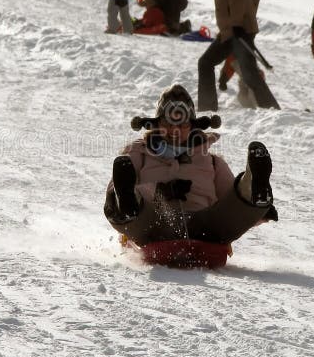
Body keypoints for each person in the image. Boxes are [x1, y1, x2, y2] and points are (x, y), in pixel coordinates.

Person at [103, 84, 277, 247]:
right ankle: (128, 205)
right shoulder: (139, 152)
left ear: (193, 126)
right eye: (167, 124)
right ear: (156, 124)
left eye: (182, 125)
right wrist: (158, 191)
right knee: (136, 213)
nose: (174, 130)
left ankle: (251, 190)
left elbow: (229, 201)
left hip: (204, 228)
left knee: (228, 213)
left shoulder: (212, 161)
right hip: (153, 225)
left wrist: (255, 212)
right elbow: (114, 187)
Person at [192, 0, 279, 111]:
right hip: (234, 30)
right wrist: (246, 20)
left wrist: (238, 24)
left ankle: (207, 108)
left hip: (237, 31)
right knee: (244, 71)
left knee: (212, 64)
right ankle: (269, 107)